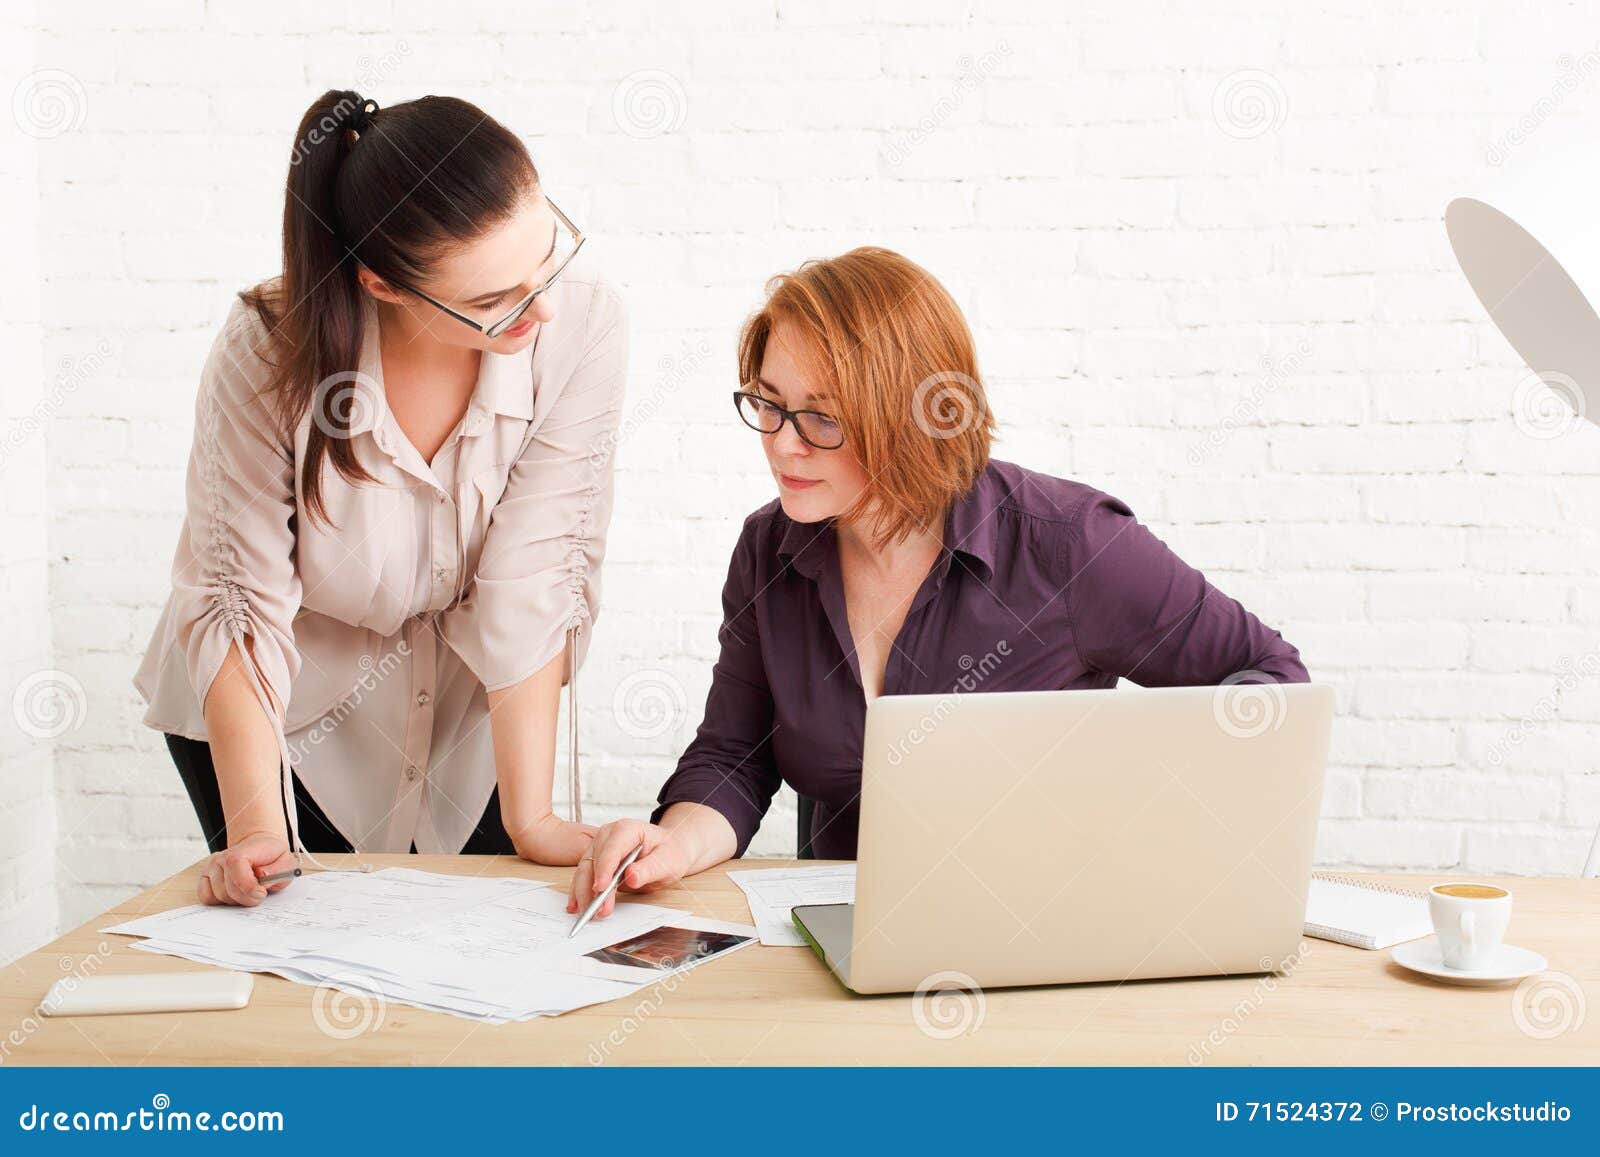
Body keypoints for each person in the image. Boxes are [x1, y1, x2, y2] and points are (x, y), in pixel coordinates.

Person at [569, 245, 1307, 919]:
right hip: (848, 944)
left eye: (821, 417)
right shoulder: (770, 551)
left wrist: (1129, 812)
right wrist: (673, 842)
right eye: (768, 403)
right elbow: (737, 755)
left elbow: (1270, 682)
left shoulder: (1069, 544)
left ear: (910, 417)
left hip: (1048, 934)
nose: (783, 444)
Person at [134, 90, 627, 906]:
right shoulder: (267, 346)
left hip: (474, 710)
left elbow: (538, 571)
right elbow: (240, 599)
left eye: (547, 257)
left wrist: (533, 816)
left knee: (480, 945)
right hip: (282, 719)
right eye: (491, 301)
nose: (540, 306)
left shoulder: (582, 322)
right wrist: (257, 831)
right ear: (384, 285)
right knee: (301, 943)